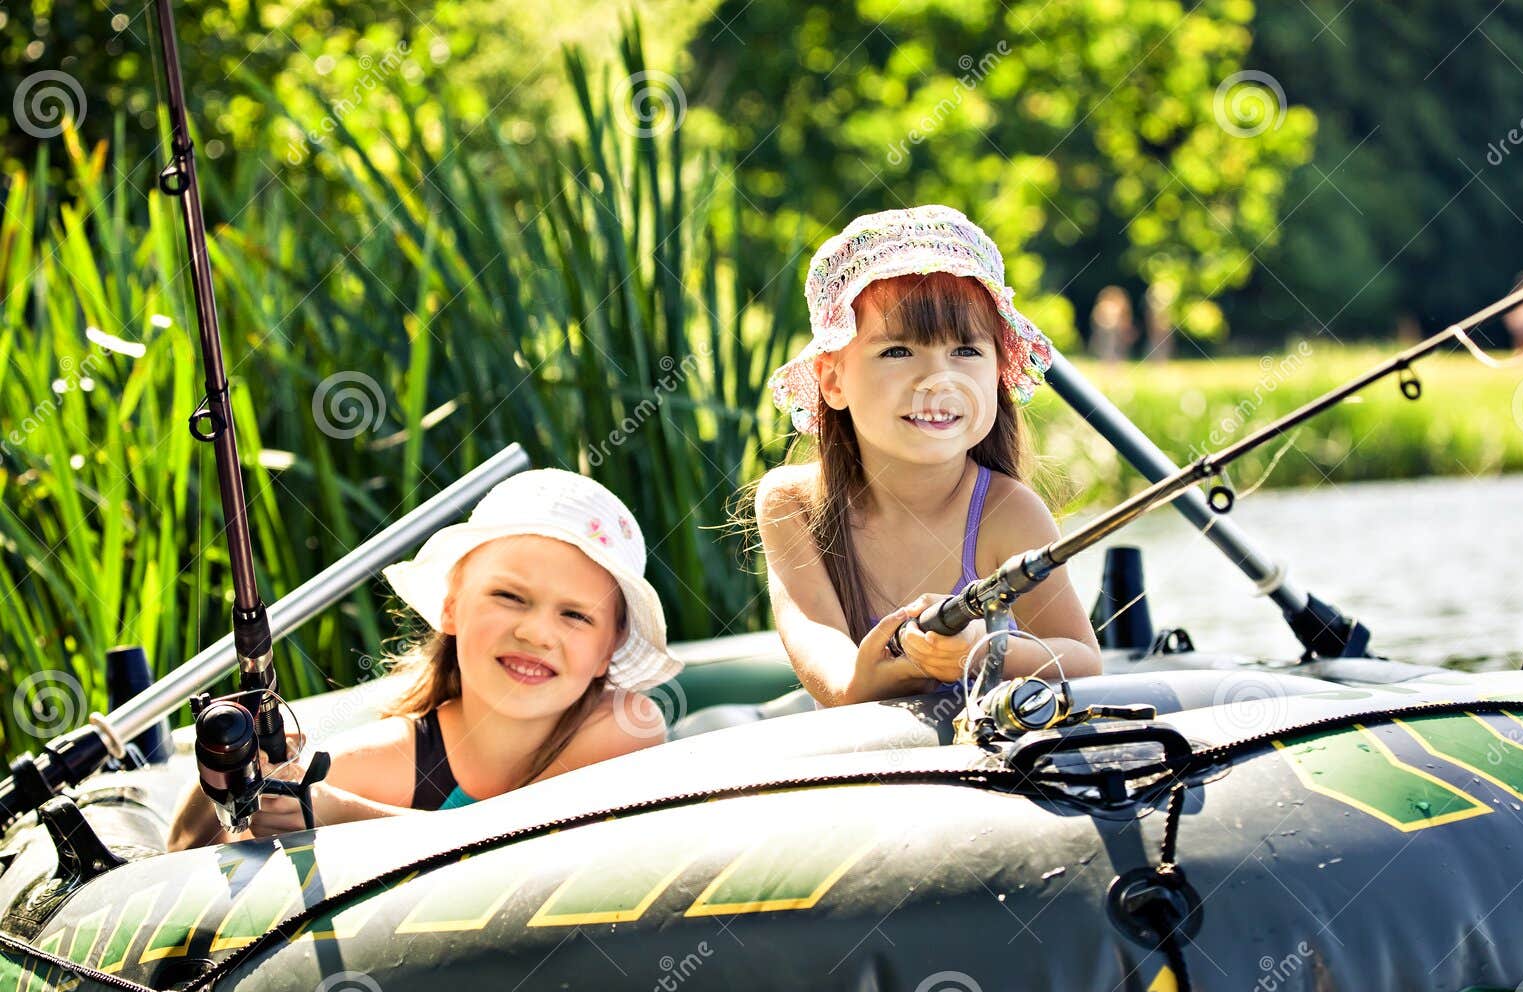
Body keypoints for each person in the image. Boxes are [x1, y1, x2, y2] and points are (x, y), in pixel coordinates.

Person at [167, 470, 682, 849]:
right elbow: (187, 850)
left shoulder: (621, 726)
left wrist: (333, 811)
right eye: (509, 597)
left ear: (607, 652)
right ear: (452, 607)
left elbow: (527, 849)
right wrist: (235, 767)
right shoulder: (396, 758)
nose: (536, 631)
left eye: (576, 615)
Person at [756, 204, 1102, 707]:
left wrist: (984, 651)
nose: (939, 379)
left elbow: (1081, 658)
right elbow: (816, 637)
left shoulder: (1008, 513)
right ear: (833, 380)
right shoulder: (793, 504)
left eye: (966, 351)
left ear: (997, 371)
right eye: (897, 352)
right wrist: (856, 683)